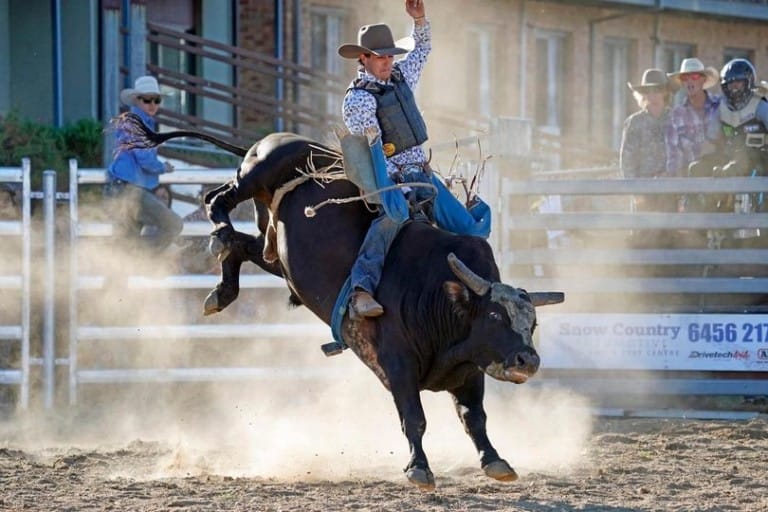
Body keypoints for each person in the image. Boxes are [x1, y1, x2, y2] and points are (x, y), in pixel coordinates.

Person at [337, 0, 432, 319]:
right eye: (380, 56)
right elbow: (374, 150)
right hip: (388, 179)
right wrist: (399, 186)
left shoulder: (401, 77)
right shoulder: (359, 99)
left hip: (422, 174)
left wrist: (419, 22)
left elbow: (421, 50)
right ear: (363, 58)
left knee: (462, 220)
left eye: (390, 55)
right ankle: (361, 289)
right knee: (393, 217)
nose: (387, 61)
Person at [105, 75, 183, 254]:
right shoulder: (137, 123)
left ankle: (127, 262)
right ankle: (139, 259)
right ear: (136, 100)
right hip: (131, 191)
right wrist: (163, 167)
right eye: (147, 100)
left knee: (124, 245)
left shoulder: (136, 122)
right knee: (173, 224)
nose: (153, 104)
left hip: (124, 189)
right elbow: (144, 157)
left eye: (157, 100)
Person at [620, 68, 677, 213]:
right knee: (643, 234)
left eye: (657, 89)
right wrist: (635, 192)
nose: (653, 95)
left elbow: (683, 154)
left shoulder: (676, 119)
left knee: (670, 234)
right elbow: (627, 160)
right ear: (643, 94)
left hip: (670, 191)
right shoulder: (634, 122)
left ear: (665, 92)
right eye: (648, 90)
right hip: (643, 190)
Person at [665, 58, 722, 179]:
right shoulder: (676, 116)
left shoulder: (721, 106)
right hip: (691, 186)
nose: (689, 81)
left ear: (703, 79)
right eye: (685, 78)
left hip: (721, 182)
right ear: (681, 83)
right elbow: (673, 157)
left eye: (695, 76)